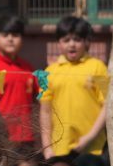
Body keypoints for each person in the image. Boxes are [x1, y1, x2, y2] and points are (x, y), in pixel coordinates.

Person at [41, 16, 108, 158]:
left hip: (93, 147)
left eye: (77, 40)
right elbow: (45, 112)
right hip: (59, 148)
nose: (72, 45)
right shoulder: (48, 72)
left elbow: (108, 105)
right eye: (66, 40)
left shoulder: (99, 67)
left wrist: (90, 137)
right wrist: (47, 147)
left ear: (86, 42)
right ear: (59, 43)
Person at [0, 17, 39, 145]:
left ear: (22, 40)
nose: (10, 39)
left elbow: (39, 99)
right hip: (0, 137)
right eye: (5, 35)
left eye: (15, 35)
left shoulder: (28, 68)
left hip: (27, 137)